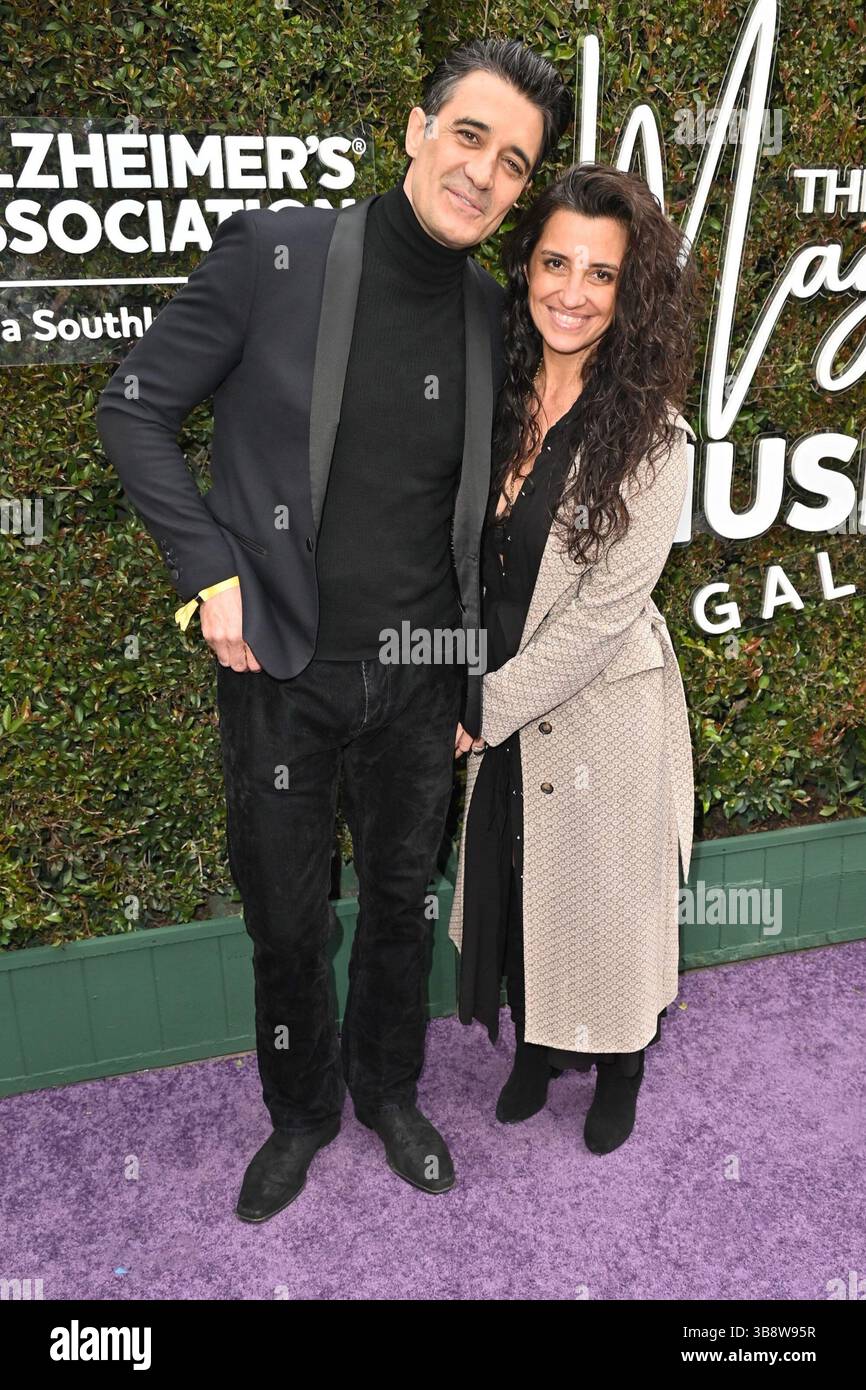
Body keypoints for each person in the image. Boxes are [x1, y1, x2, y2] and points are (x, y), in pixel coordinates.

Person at [96, 38, 572, 1221]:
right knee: (287, 922)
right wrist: (210, 573)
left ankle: (388, 1091)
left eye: (512, 163)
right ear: (415, 130)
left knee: (405, 910)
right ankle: (301, 1110)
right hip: (280, 669)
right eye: (468, 137)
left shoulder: (484, 313)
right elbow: (136, 408)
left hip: (417, 680)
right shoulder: (279, 256)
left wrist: (465, 675)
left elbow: (469, 511)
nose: (483, 174)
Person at [450, 161, 699, 1154]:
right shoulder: (486, 400)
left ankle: (621, 1063)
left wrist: (483, 706)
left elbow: (601, 615)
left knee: (604, 896)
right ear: (525, 268)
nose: (571, 289)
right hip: (494, 685)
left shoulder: (652, 436)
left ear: (628, 293)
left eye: (600, 273)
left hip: (597, 705)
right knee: (516, 882)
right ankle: (534, 1048)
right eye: (554, 262)